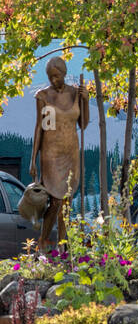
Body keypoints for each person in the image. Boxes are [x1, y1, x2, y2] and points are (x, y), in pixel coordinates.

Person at [29, 57, 89, 252]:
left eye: (56, 76)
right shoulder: (43, 96)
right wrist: (33, 160)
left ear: (64, 73)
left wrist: (86, 101)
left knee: (67, 202)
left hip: (70, 153)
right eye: (50, 77)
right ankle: (43, 240)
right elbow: (40, 128)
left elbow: (83, 124)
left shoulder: (75, 93)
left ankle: (63, 247)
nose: (53, 80)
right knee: (54, 202)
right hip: (51, 154)